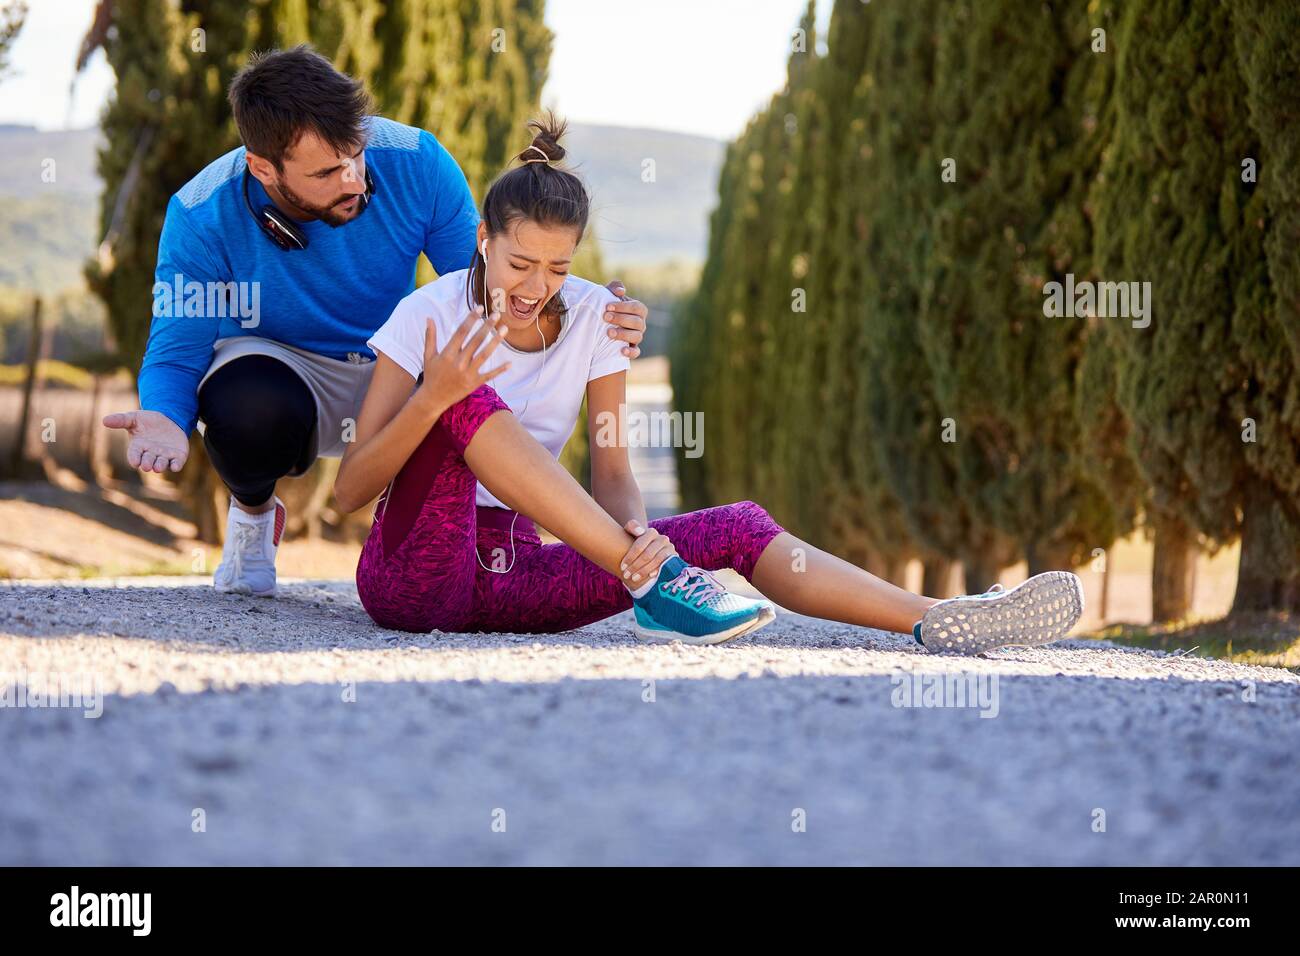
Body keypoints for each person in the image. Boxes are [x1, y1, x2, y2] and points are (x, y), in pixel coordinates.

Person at [336, 115, 1086, 654]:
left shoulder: (601, 318)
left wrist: (636, 538)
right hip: (416, 578)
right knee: (466, 395)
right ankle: (663, 582)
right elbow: (350, 489)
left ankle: (934, 616)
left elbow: (613, 473)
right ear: (482, 241)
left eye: (558, 268)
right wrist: (433, 397)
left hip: (520, 577)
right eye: (518, 264)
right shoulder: (427, 314)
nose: (536, 286)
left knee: (738, 524)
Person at [100, 46, 653, 598]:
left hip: (402, 363)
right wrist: (165, 414)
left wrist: (585, 308)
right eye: (326, 172)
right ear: (263, 168)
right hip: (286, 369)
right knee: (243, 408)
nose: (354, 181)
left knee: (466, 388)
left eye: (356, 156)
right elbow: (177, 348)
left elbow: (489, 288)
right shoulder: (199, 213)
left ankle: (559, 555)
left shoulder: (418, 160)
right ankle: (253, 515)